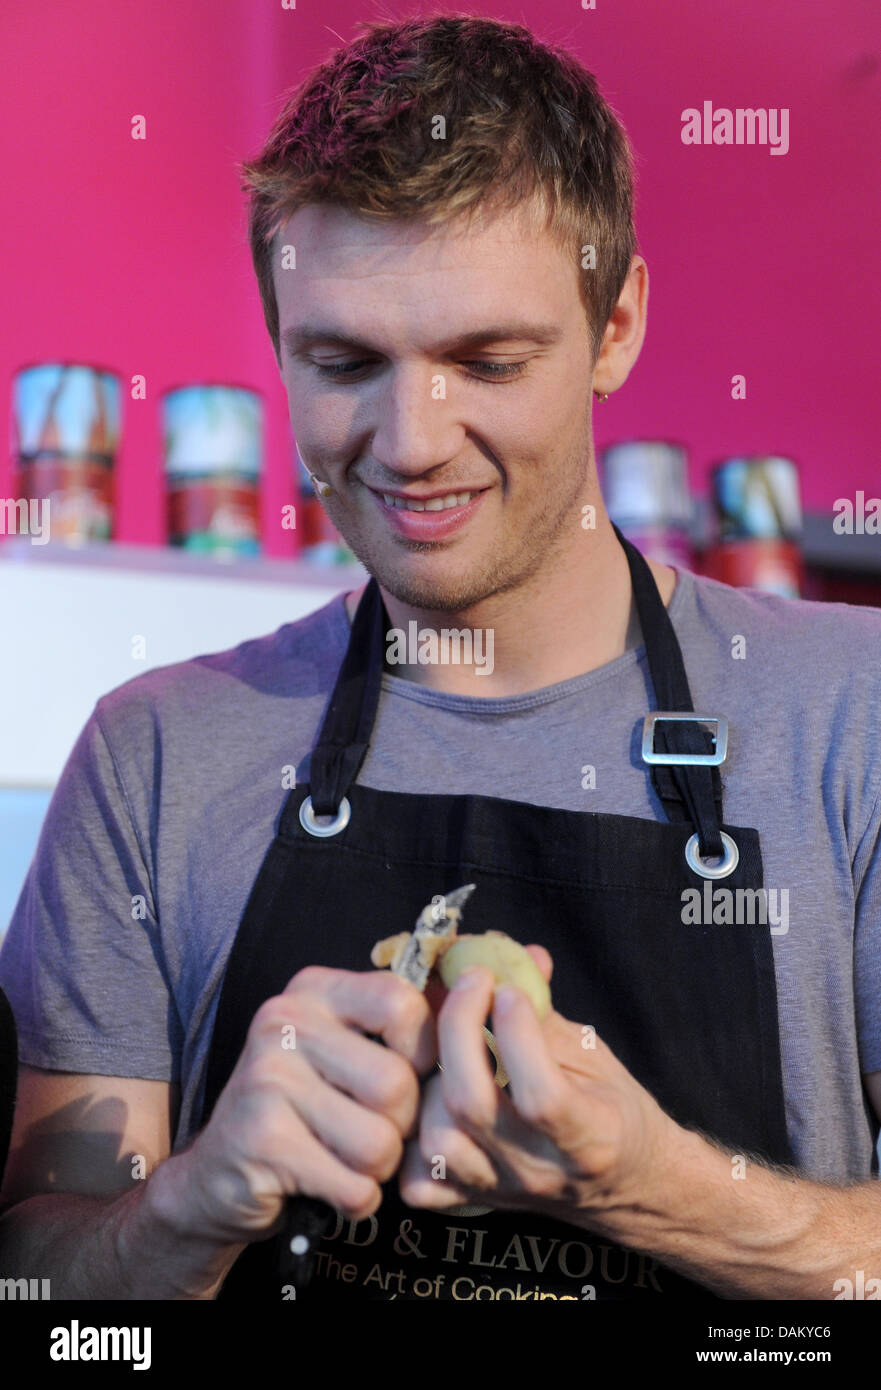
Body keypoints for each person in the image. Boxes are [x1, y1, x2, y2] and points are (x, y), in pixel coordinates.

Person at [0, 13, 879, 1303]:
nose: (412, 441)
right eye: (345, 361)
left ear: (618, 321)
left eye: (488, 360)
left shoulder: (851, 715)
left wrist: (665, 1190)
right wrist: (184, 1210)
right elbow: (45, 1310)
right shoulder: (155, 753)